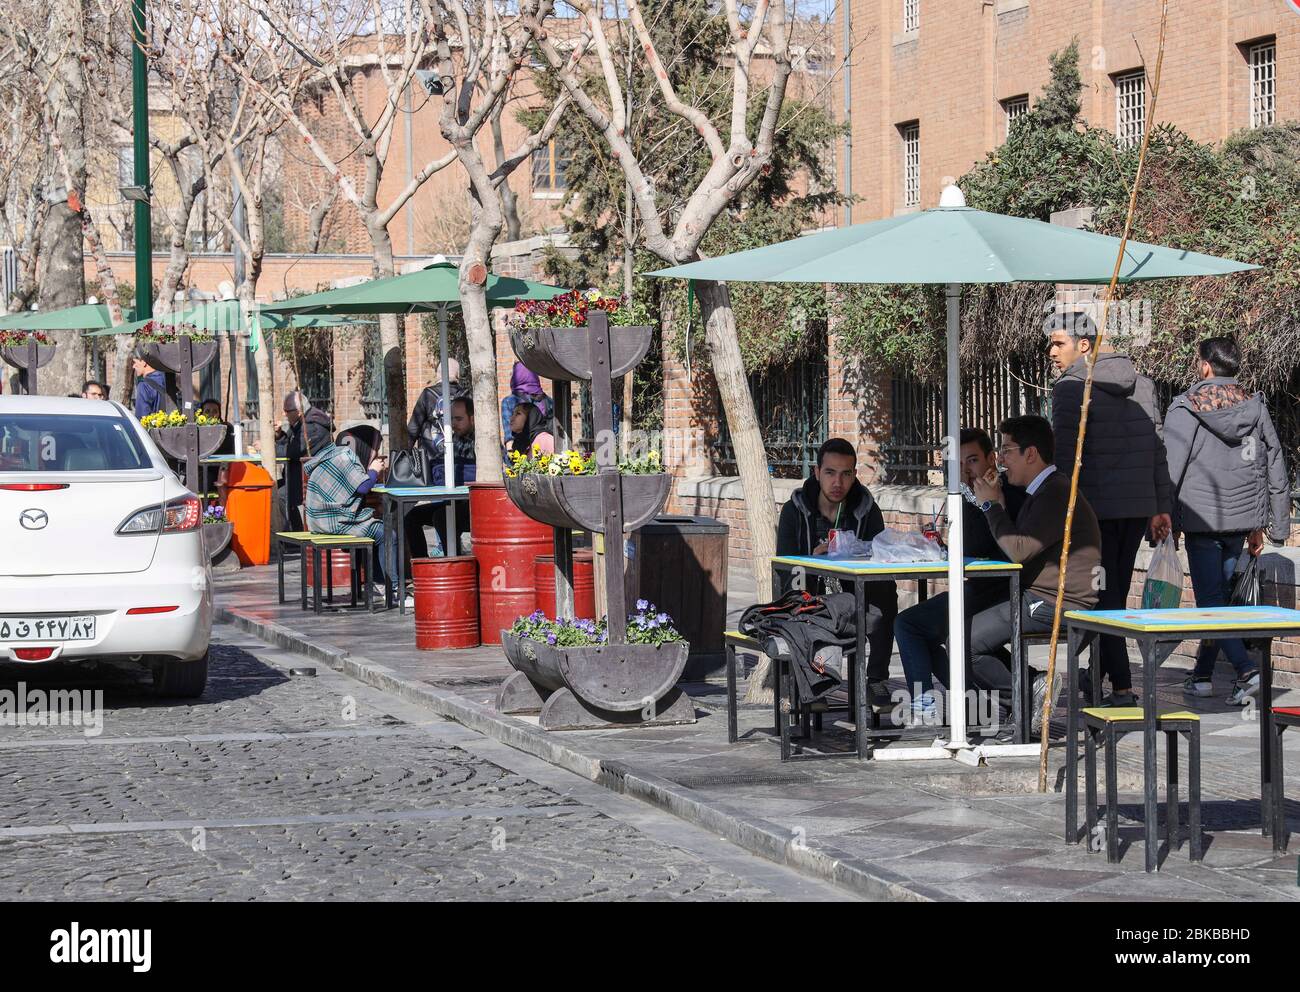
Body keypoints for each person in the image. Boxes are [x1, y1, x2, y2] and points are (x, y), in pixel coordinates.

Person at [1050, 313, 1171, 707]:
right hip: (1136, 508)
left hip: (1092, 510)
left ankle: (1121, 686)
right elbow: (1157, 450)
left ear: (1084, 345)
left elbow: (1065, 458)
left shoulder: (1070, 388)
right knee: (1111, 587)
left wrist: (1058, 511)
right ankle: (1099, 674)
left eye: (1058, 343)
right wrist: (1161, 506)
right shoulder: (1145, 385)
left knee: (1106, 594)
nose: (1052, 351)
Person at [1166, 337, 1291, 706]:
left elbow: (1171, 469)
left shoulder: (1185, 408)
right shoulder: (1254, 406)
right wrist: (1271, 525)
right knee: (1220, 601)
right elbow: (1274, 463)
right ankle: (1203, 676)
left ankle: (1247, 670)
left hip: (1202, 520)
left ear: (1205, 366)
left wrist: (1165, 520)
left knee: (1209, 603)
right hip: (1241, 521)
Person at [969, 415, 1102, 737]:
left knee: (965, 642)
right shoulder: (1042, 491)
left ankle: (1030, 691)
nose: (1000, 459)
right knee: (962, 632)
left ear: (1031, 454)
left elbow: (1018, 550)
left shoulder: (1055, 492)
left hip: (1058, 603)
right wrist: (998, 504)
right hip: (1040, 594)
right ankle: (1029, 693)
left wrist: (990, 507)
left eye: (1006, 450)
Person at [894, 428, 1026, 723]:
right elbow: (972, 547)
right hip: (979, 586)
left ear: (992, 458)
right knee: (915, 625)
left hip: (1006, 588)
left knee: (913, 625)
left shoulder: (1007, 495)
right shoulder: (963, 498)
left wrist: (991, 503)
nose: (966, 470)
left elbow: (1006, 547)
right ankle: (970, 702)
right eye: (959, 464)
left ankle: (1016, 689)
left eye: (973, 460)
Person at [775, 437, 897, 713]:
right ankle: (815, 681)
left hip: (853, 597)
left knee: (885, 591)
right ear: (817, 473)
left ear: (854, 475)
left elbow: (879, 554)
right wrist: (813, 559)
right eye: (830, 473)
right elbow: (785, 568)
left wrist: (850, 553)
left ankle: (876, 678)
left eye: (845, 474)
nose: (837, 483)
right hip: (808, 594)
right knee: (804, 599)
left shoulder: (865, 509)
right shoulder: (795, 511)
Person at [302, 411, 399, 597]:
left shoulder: (331, 454)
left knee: (371, 528)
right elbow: (363, 487)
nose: (376, 452)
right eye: (375, 447)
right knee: (387, 534)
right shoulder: (345, 456)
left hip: (318, 522)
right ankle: (391, 588)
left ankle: (377, 581)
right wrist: (373, 470)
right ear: (366, 445)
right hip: (335, 523)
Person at [408, 357, 468, 453]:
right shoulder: (466, 394)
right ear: (458, 374)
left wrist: (405, 454)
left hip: (431, 455)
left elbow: (413, 428)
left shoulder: (428, 394)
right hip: (460, 454)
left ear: (438, 374)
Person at [275, 391, 309, 532]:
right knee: (273, 488)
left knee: (280, 494)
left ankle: (294, 531)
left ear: (299, 412)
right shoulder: (296, 427)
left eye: (287, 411)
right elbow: (289, 445)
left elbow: (291, 452)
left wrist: (268, 448)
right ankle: (291, 531)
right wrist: (279, 435)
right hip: (293, 476)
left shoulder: (308, 428)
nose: (284, 414)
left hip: (305, 479)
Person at [500, 361, 553, 437]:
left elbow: (509, 438)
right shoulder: (548, 401)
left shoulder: (508, 401)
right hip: (546, 446)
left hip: (520, 447)